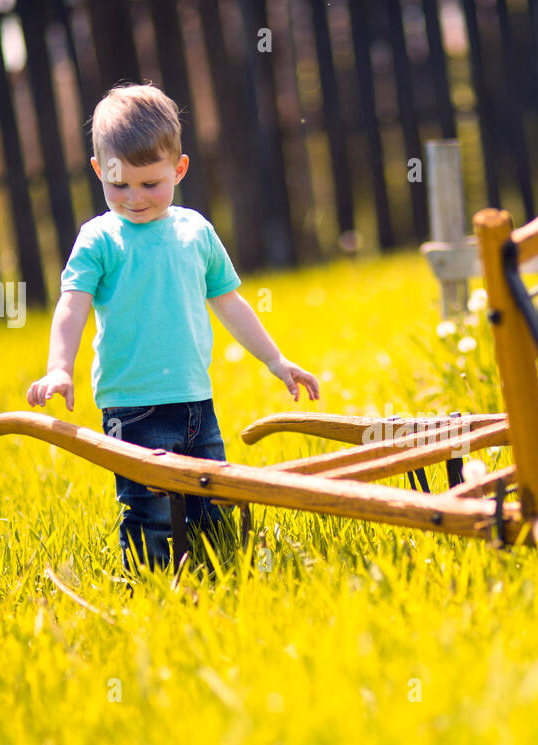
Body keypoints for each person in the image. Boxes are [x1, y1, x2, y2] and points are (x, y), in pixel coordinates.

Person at [25, 83, 320, 576]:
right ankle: (153, 589)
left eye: (151, 184)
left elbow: (230, 303)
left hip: (195, 402)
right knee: (151, 511)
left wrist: (276, 360)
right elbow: (71, 306)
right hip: (133, 407)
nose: (134, 199)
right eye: (119, 186)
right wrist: (59, 367)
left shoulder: (195, 232)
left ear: (179, 169)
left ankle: (221, 577)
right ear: (99, 171)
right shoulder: (99, 239)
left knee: (212, 501)